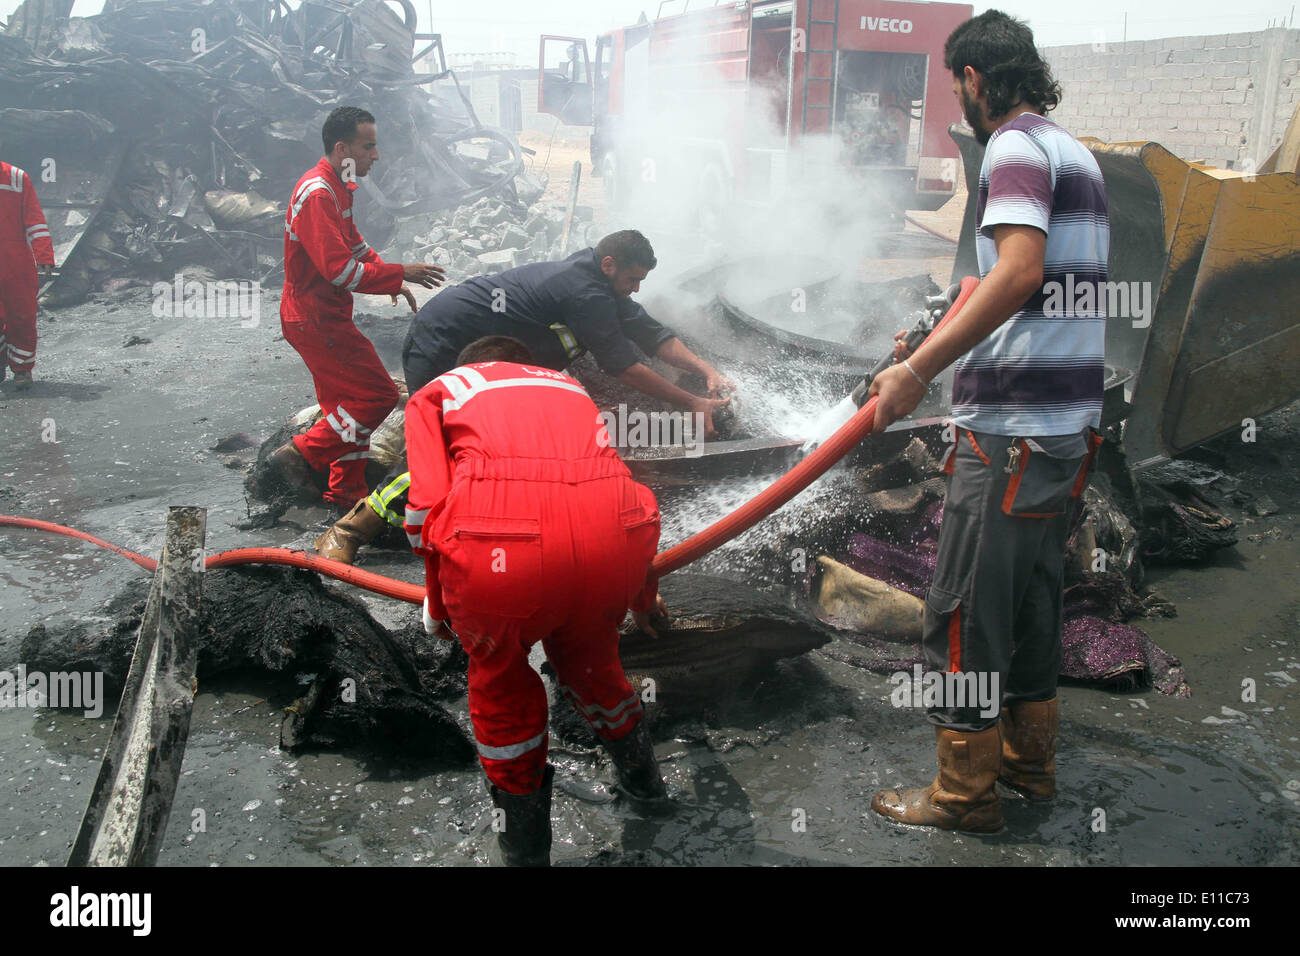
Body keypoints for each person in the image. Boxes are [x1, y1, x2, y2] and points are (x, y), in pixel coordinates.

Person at [867, 10, 1109, 833]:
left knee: (966, 608)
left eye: (956, 85)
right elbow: (1027, 289)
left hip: (1007, 429)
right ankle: (1027, 770)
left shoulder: (1010, 147)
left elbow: (1016, 274)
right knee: (1035, 601)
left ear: (974, 79)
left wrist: (914, 370)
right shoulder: (1075, 151)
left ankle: (963, 796)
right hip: (1064, 429)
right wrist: (935, 335)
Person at [404, 334, 671, 866]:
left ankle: (525, 850)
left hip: (499, 554)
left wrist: (439, 598)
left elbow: (424, 509)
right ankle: (647, 789)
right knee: (596, 663)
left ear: (471, 362)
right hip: (616, 539)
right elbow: (609, 483)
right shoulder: (569, 386)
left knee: (501, 686)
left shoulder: (438, 392)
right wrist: (643, 598)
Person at [315, 229, 732, 563]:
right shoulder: (584, 293)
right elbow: (622, 365)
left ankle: (451, 520)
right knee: (444, 453)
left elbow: (649, 332)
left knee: (484, 451)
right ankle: (351, 529)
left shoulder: (601, 285)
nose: (636, 290)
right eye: (633, 280)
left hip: (494, 359)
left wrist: (707, 371)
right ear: (608, 265)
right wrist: (692, 403)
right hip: (443, 347)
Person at [265, 106, 445, 510]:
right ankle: (300, 454)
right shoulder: (318, 194)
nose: (375, 156)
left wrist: (390, 277)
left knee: (346, 407)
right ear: (343, 147)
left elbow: (355, 245)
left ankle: (344, 490)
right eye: (369, 146)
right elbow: (339, 270)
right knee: (377, 396)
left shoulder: (337, 185)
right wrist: (401, 273)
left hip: (321, 315)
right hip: (315, 318)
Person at [0, 135, 55, 391]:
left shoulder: (16, 178)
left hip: (15, 262)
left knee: (22, 315)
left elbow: (34, 220)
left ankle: (22, 369)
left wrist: (44, 256)